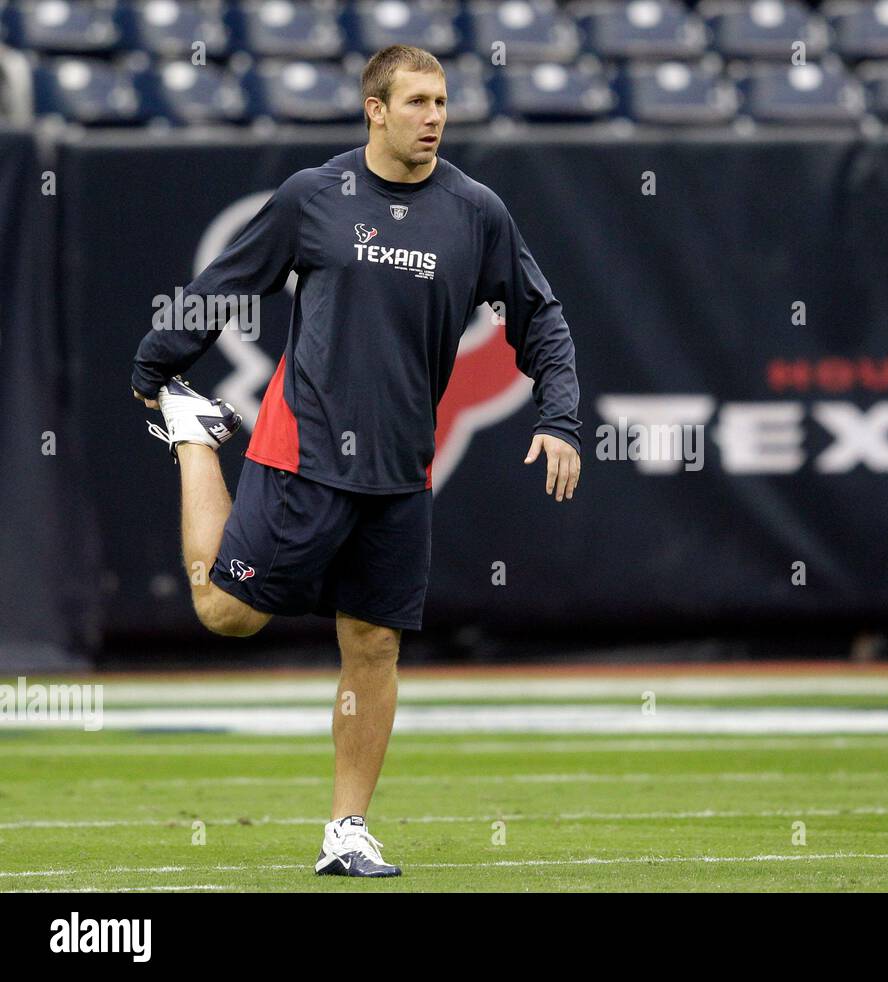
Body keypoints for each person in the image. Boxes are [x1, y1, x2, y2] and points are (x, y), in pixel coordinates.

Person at [130, 44, 581, 878]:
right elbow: (231, 279)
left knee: (373, 645)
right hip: (301, 453)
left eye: (442, 101)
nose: (434, 117)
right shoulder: (315, 196)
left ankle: (347, 831)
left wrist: (561, 417)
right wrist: (159, 365)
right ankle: (196, 439)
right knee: (228, 614)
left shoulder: (476, 212)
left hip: (402, 471)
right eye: (416, 102)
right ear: (375, 110)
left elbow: (540, 317)